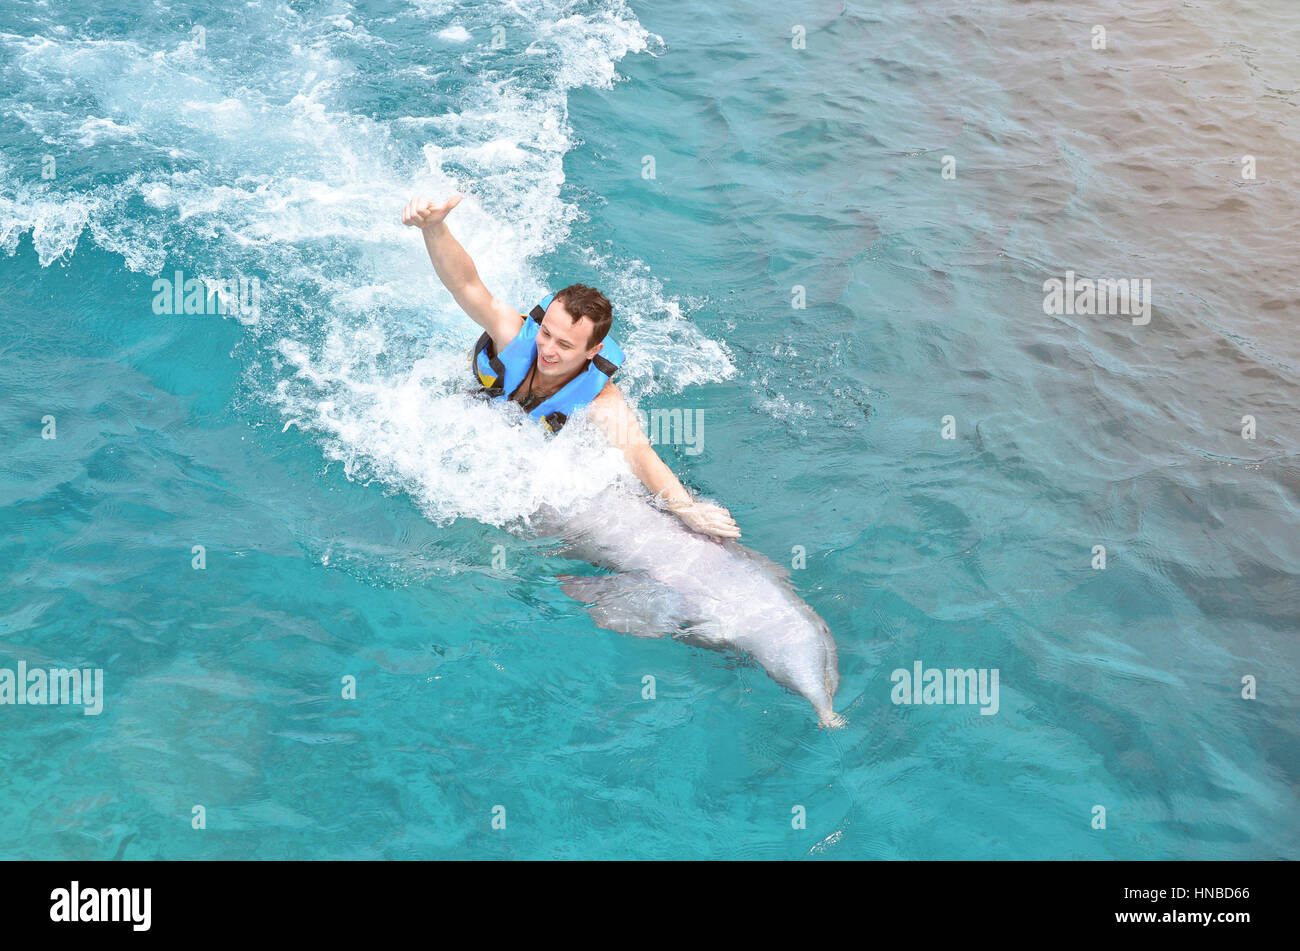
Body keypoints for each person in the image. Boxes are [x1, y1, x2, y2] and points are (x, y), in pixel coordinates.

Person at [402, 193, 740, 540]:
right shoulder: (512, 336)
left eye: (565, 345)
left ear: (593, 351)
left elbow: (638, 452)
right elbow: (465, 284)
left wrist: (686, 509)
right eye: (546, 333)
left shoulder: (601, 399)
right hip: (478, 399)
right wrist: (434, 228)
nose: (547, 350)